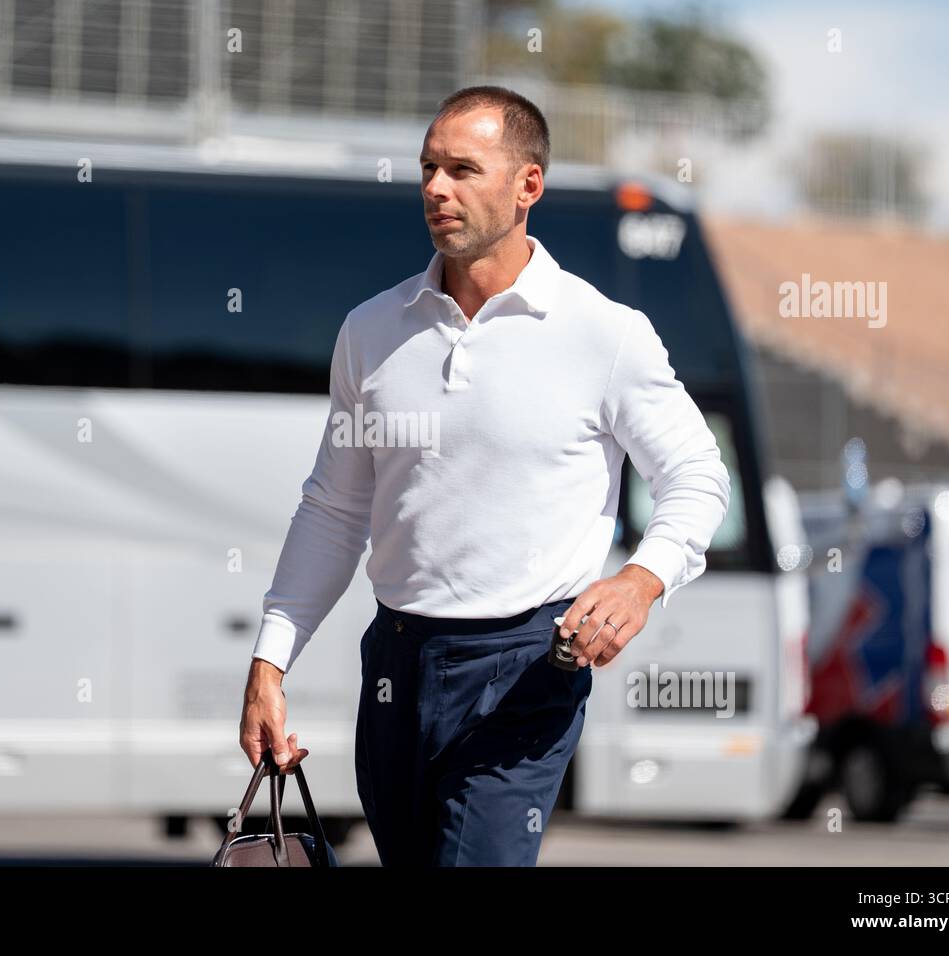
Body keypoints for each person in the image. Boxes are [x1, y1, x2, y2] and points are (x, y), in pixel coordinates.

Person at [238, 85, 731, 866]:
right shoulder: (370, 331)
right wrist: (270, 662)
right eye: (429, 168)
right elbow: (334, 509)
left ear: (527, 186)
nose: (437, 188)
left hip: (525, 667)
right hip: (396, 662)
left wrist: (642, 580)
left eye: (464, 169)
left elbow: (698, 474)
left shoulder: (604, 334)